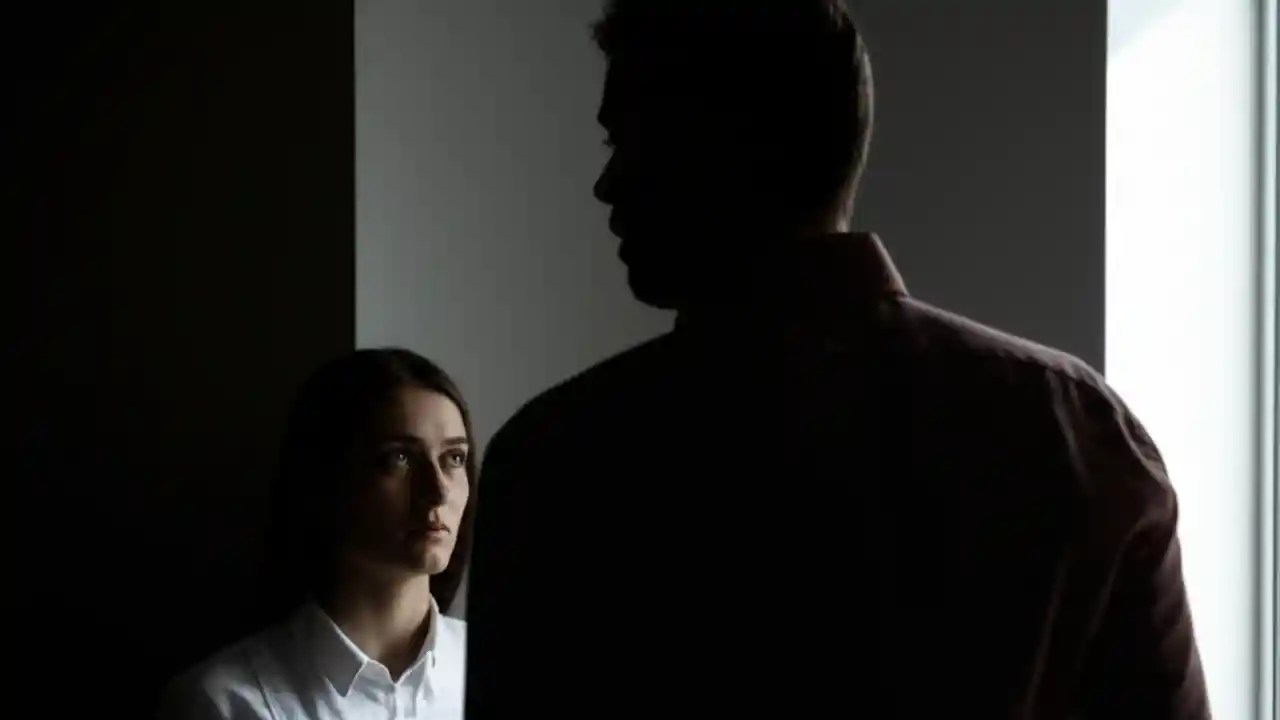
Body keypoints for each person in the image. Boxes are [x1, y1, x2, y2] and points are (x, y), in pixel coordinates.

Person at [465, 1, 1210, 718]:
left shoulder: (564, 460)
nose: (607, 183)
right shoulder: (1075, 427)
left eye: (626, 140)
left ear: (725, 146)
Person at [160, 349, 474, 719]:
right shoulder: (229, 702)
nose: (438, 491)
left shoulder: (506, 671)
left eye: (454, 458)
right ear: (327, 478)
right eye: (399, 458)